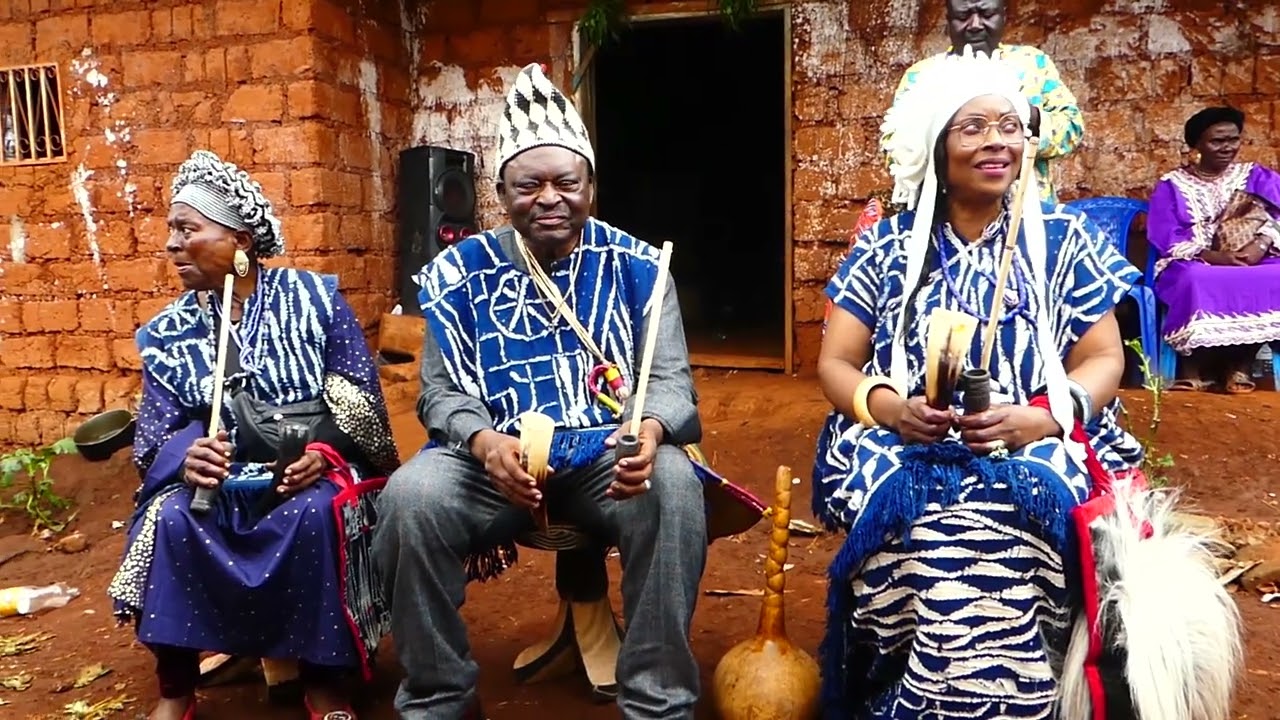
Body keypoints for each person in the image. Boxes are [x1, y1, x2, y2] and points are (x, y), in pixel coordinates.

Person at [812, 49, 1239, 720]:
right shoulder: (887, 246)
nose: (997, 142)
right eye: (973, 127)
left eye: (1009, 126)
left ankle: (998, 696)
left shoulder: (1063, 240)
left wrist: (1039, 419)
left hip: (1041, 432)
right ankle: (913, 687)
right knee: (917, 523)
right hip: (899, 440)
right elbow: (836, 363)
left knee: (1009, 524)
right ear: (937, 145)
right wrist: (891, 409)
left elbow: (1102, 360)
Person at [372, 63, 762, 720]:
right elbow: (439, 395)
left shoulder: (640, 267)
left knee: (671, 484)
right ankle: (439, 699)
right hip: (490, 462)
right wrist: (484, 440)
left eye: (566, 182)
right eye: (529, 185)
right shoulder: (460, 272)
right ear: (500, 191)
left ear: (591, 187)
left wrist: (651, 432)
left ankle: (657, 700)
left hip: (607, 455)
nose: (549, 197)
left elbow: (668, 383)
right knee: (411, 499)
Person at [107, 150, 399, 720]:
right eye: (171, 230)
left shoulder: (316, 302)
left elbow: (362, 405)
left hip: (307, 471)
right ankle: (176, 692)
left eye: (187, 229)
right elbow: (154, 437)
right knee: (172, 519)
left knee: (315, 513)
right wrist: (187, 455)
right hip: (220, 482)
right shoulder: (169, 333)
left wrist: (322, 452)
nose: (170, 244)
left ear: (239, 241)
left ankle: (324, 680)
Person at [889, 0, 1084, 203]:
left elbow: (1073, 128)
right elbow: (893, 145)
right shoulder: (922, 76)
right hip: (947, 213)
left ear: (1003, 16)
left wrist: (1026, 119)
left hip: (1027, 211)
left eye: (986, 14)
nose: (975, 25)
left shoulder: (1033, 64)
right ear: (948, 21)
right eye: (963, 17)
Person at [1149, 106, 1280, 394]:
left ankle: (1240, 365)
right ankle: (1192, 368)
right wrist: (1213, 256)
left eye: (1233, 140)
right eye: (1216, 141)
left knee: (1274, 276)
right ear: (1197, 145)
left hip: (1252, 256)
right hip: (1194, 258)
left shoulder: (1256, 176)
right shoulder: (1172, 184)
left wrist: (1261, 244)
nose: (1227, 148)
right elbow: (1166, 233)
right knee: (1195, 279)